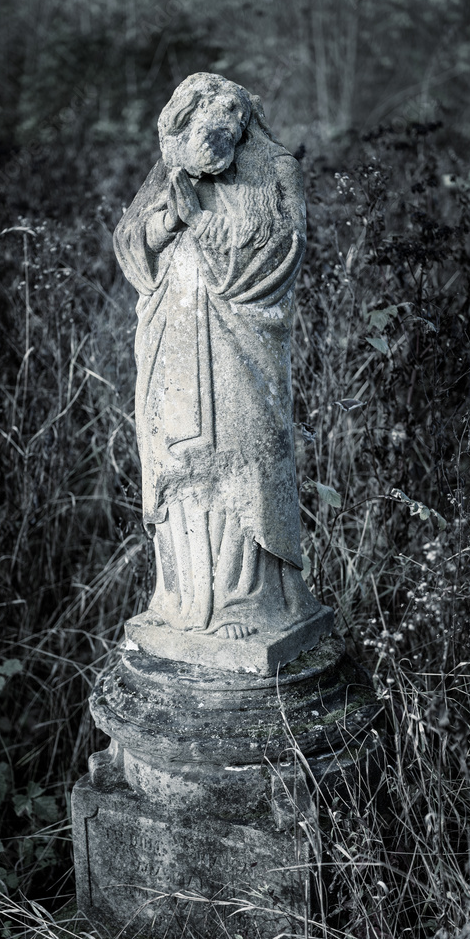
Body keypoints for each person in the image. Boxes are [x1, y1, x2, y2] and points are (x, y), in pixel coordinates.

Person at [114, 73, 320, 642]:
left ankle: (245, 601)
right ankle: (183, 596)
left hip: (242, 339)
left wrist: (205, 225)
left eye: (230, 126)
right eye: (206, 127)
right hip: (172, 337)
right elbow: (132, 241)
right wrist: (170, 219)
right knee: (178, 460)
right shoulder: (172, 168)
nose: (218, 137)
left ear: (244, 126)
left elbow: (285, 247)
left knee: (243, 454)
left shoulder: (275, 168)